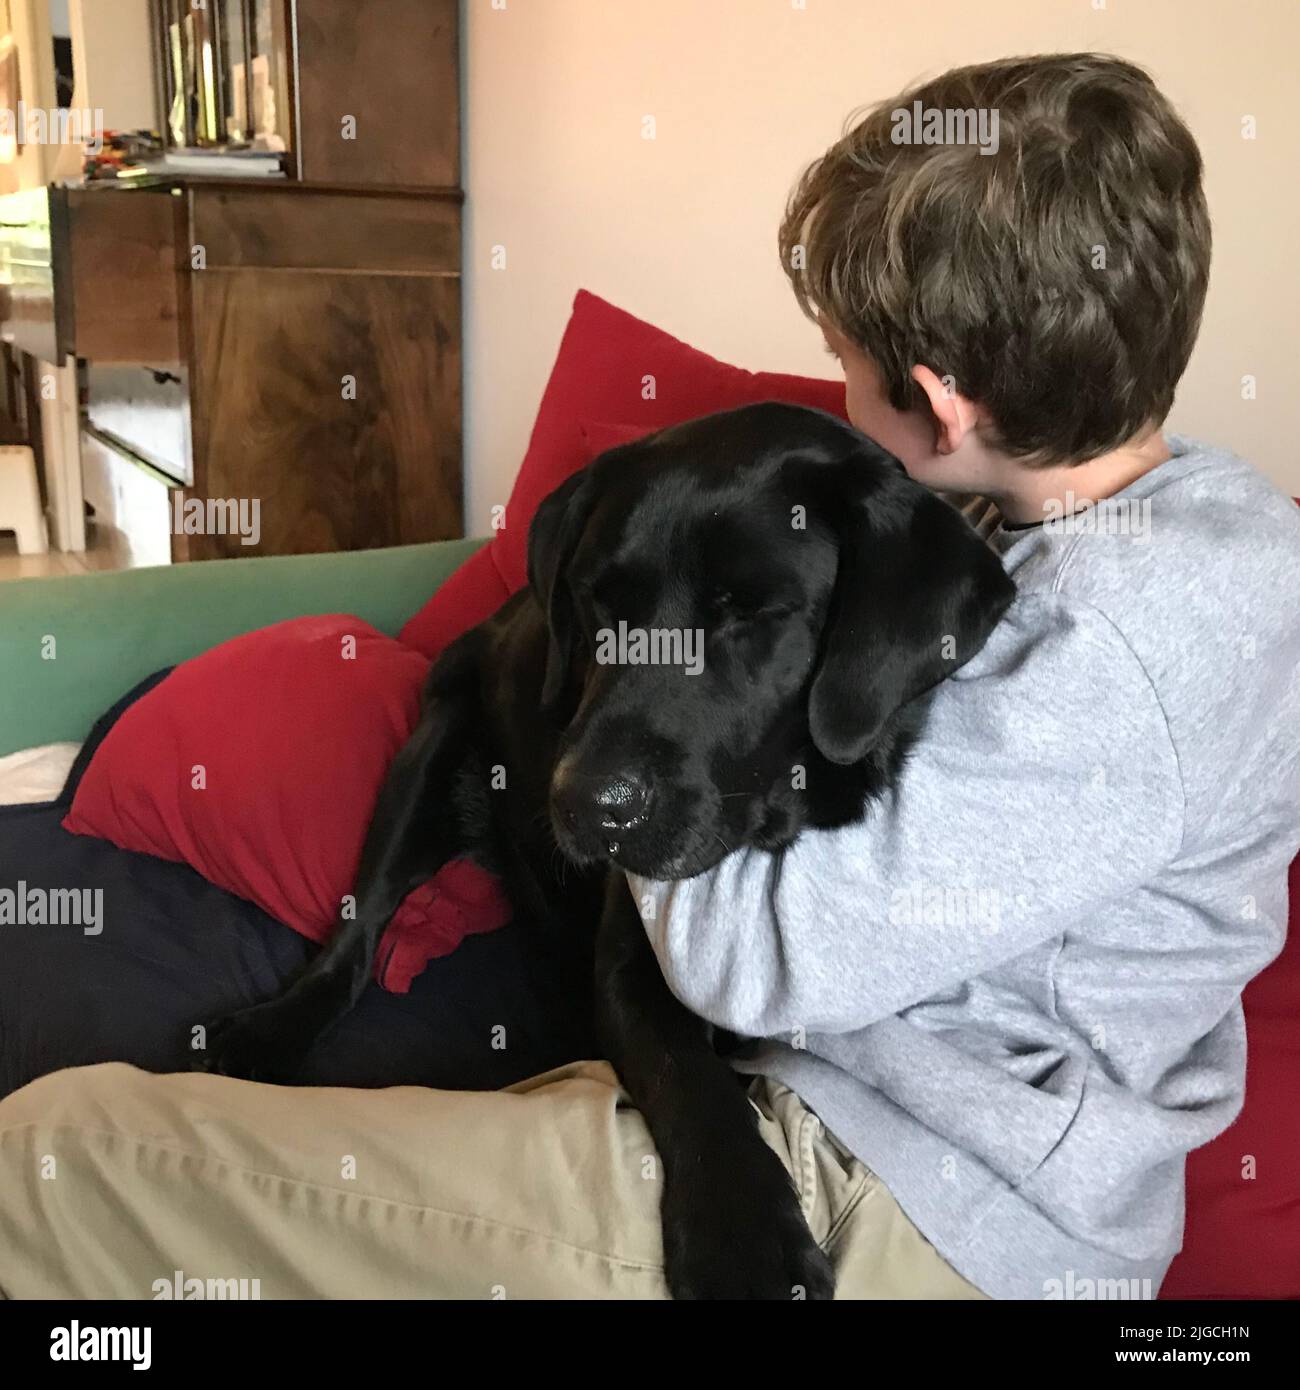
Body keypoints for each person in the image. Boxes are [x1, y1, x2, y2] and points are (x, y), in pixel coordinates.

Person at [1, 52, 1297, 1301]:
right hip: (847, 1116)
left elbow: (756, 961)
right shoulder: (1118, 534)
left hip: (909, 1206)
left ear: (936, 401)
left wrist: (631, 767)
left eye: (843, 359)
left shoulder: (1121, 651)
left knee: (49, 1157)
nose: (838, 390)